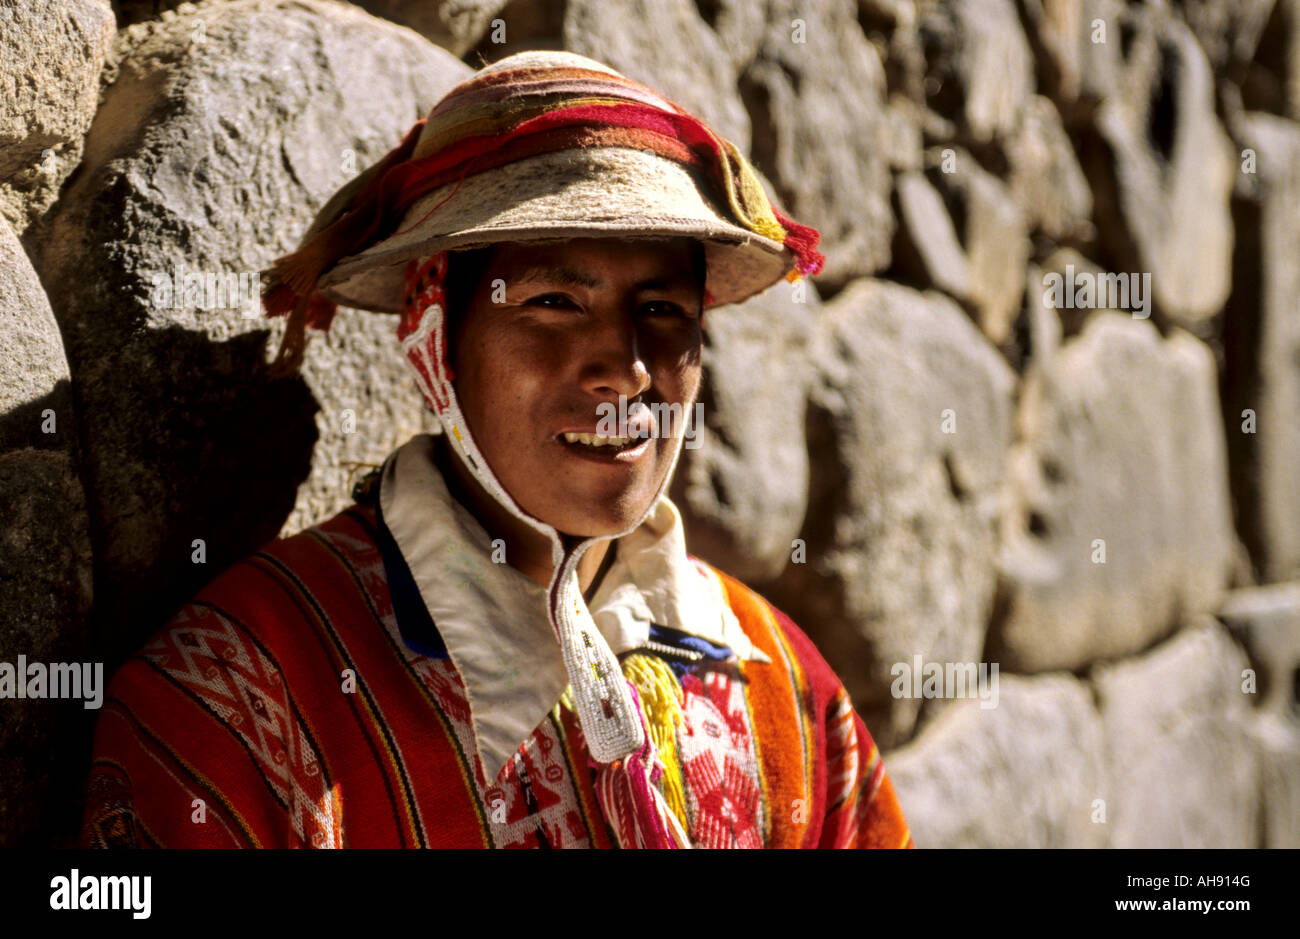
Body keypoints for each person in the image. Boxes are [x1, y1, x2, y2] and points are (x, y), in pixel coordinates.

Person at [79, 50, 914, 849]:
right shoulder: (237, 701)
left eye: (660, 310)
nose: (624, 371)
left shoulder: (784, 693)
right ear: (437, 341)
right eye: (554, 300)